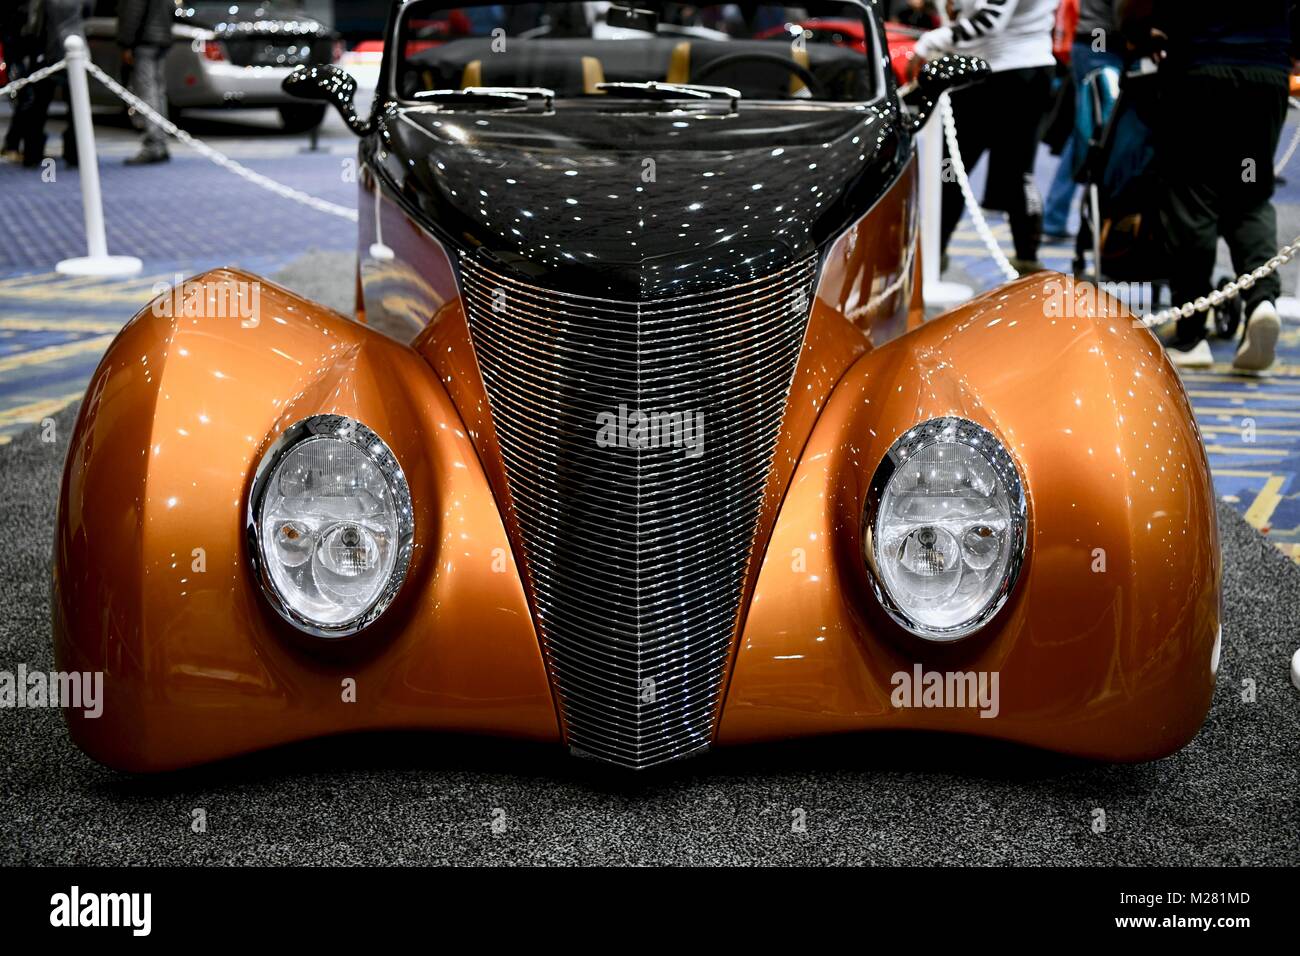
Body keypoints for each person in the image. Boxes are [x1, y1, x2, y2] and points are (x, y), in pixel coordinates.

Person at [1120, 0, 1299, 372]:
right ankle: (1261, 303)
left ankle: (1192, 334)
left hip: (1198, 71)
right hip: (1265, 74)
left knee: (1191, 199)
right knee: (1250, 196)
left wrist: (1140, 35)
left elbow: (1135, 8)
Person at [914, 0, 1059, 276]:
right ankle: (1027, 260)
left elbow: (989, 21)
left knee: (955, 169)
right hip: (1026, 68)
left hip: (1000, 71)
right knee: (1014, 174)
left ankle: (934, 259)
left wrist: (928, 41)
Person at [1041, 0, 1123, 239]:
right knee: (1093, 135)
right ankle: (1065, 218)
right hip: (1101, 47)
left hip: (1095, 45)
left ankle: (1062, 217)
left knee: (1090, 132)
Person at [11, 0, 89, 169]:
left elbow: (33, 20)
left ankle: (32, 153)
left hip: (47, 49)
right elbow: (87, 11)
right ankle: (76, 153)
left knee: (38, 106)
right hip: (73, 45)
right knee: (77, 107)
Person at [117, 0, 174, 165]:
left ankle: (153, 144)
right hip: (161, 37)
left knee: (147, 94)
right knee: (158, 92)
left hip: (144, 40)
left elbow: (133, 11)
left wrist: (126, 43)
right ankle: (160, 143)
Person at [1, 0, 35, 162]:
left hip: (27, 45)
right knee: (25, 96)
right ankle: (13, 145)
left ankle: (17, 145)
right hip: (14, 44)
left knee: (27, 96)